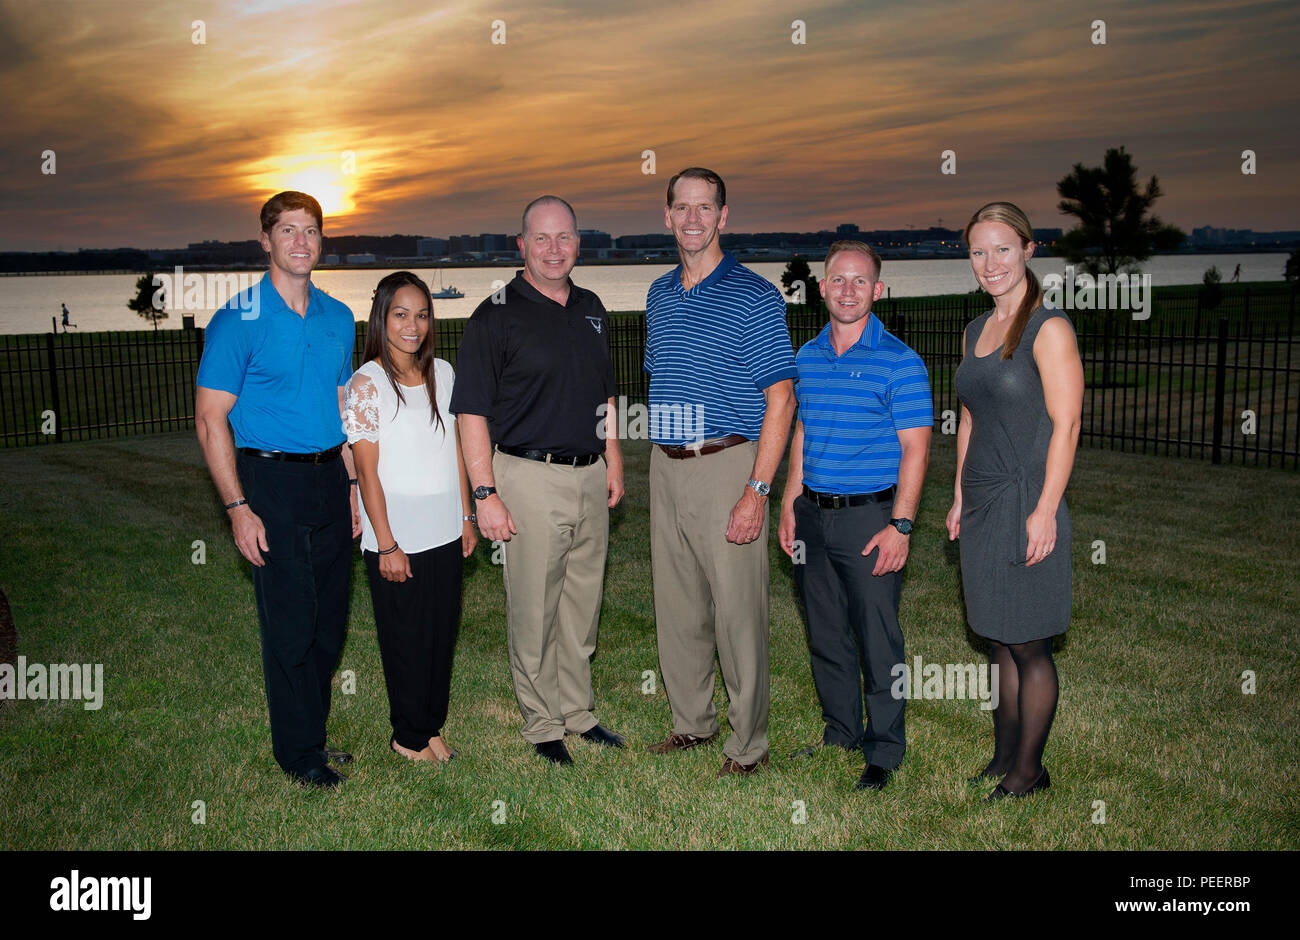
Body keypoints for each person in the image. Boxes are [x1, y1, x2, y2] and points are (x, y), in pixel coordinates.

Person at [450, 195, 625, 765]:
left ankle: (577, 710)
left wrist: (613, 457)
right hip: (526, 475)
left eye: (565, 237)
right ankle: (542, 722)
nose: (555, 250)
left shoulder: (593, 306)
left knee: (581, 602)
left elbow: (604, 393)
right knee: (533, 606)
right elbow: (471, 412)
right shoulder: (494, 314)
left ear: (579, 242)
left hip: (588, 474)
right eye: (542, 239)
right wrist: (484, 494)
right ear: (521, 245)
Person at [195, 191, 360, 790]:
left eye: (310, 230)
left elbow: (345, 409)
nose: (300, 241)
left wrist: (353, 488)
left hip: (328, 477)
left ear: (321, 241)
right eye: (287, 230)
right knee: (290, 619)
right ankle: (298, 753)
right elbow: (211, 418)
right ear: (265, 240)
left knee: (329, 620)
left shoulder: (339, 317)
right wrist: (238, 508)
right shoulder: (237, 318)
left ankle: (309, 732)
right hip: (269, 481)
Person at [644, 167, 797, 777]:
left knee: (737, 610)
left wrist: (756, 491)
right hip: (666, 464)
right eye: (681, 207)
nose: (692, 219)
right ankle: (692, 724)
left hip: (728, 461)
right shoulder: (659, 293)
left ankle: (749, 744)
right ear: (668, 216)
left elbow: (780, 399)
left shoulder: (753, 295)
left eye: (704, 208)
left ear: (723, 216)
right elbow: (661, 377)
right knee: (678, 604)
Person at [777, 241, 932, 791]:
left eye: (859, 281)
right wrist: (790, 504)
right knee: (825, 633)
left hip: (872, 518)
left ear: (878, 290)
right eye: (838, 280)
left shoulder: (901, 360)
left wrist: (902, 525)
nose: (848, 290)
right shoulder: (806, 357)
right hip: (812, 518)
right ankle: (840, 733)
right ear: (822, 288)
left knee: (877, 636)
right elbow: (802, 433)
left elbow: (916, 448)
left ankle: (885, 749)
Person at [946, 201, 1083, 800]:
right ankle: (1005, 754)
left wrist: (1047, 508)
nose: (990, 262)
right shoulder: (976, 330)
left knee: (1028, 641)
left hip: (1027, 496)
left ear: (1029, 250)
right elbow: (969, 419)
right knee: (997, 635)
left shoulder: (1048, 328)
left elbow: (1068, 422)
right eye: (979, 251)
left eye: (1003, 248)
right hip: (981, 500)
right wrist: (956, 496)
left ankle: (1031, 771)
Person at [344, 272, 476, 764]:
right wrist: (386, 543)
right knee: (406, 638)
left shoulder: (444, 372)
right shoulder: (367, 383)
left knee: (441, 635)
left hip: (445, 526)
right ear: (382, 317)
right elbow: (367, 471)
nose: (412, 325)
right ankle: (407, 734)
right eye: (401, 314)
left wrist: (465, 515)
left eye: (422, 314)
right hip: (398, 535)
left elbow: (456, 451)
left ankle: (430, 726)